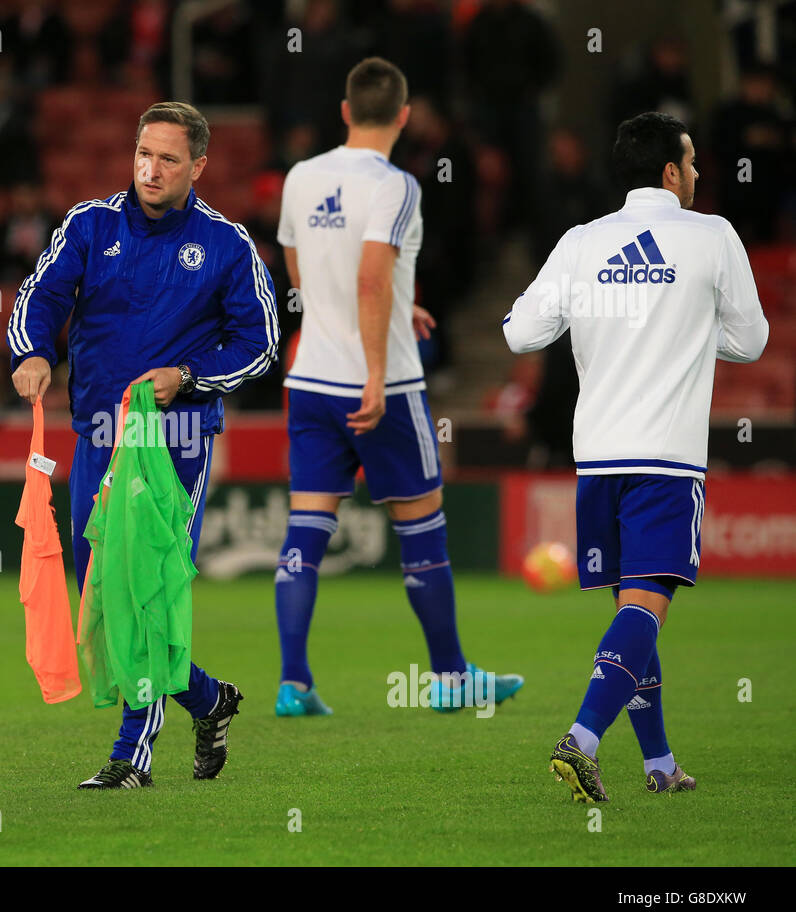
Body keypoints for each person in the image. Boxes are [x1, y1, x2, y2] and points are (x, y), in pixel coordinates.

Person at [9, 102, 279, 789]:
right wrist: (35, 351)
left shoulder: (226, 245)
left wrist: (189, 376)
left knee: (145, 590)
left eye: (167, 158)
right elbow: (40, 294)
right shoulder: (90, 224)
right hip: (99, 436)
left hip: (175, 443)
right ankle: (208, 698)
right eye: (142, 154)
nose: (150, 169)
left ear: (197, 167)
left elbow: (260, 344)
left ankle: (132, 755)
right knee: (100, 595)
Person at [504, 111, 769, 802]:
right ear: (671, 172)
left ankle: (659, 764)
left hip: (597, 457)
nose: (701, 173)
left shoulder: (580, 241)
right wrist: (683, 329)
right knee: (647, 610)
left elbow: (521, 334)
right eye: (693, 162)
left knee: (636, 609)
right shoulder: (712, 234)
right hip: (666, 458)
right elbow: (751, 341)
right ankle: (582, 739)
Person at [273, 57, 524, 717]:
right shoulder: (398, 185)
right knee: (421, 529)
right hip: (380, 387)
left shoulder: (301, 176)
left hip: (310, 382)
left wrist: (391, 303)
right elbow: (369, 277)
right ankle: (448, 678)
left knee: (306, 528)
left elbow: (303, 274)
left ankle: (293, 683)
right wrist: (378, 372)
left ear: (346, 111)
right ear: (405, 117)